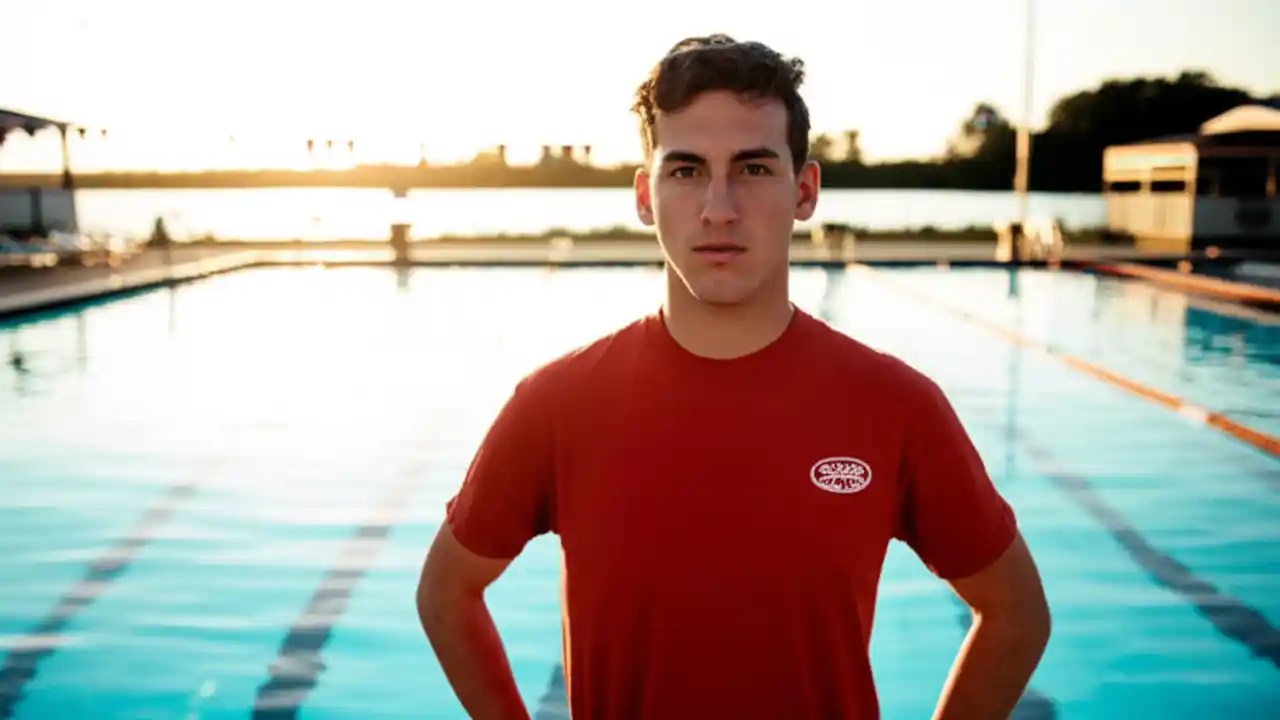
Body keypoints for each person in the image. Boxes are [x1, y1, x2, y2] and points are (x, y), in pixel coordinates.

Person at [416, 34, 1051, 719]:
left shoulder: (895, 405)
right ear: (644, 195)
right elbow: (446, 594)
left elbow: (1015, 615)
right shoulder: (557, 404)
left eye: (751, 169)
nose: (719, 208)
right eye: (686, 171)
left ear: (804, 190)